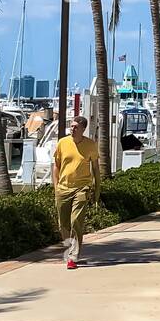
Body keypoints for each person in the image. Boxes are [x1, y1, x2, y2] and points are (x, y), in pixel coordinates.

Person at [53, 114, 101, 270]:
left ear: (83, 129)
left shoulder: (90, 145)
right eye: (71, 126)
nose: (72, 129)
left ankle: (73, 256)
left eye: (76, 127)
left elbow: (96, 169)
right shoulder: (62, 143)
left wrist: (97, 190)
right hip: (63, 189)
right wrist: (56, 187)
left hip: (82, 188)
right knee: (63, 224)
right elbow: (56, 166)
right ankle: (69, 250)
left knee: (76, 221)